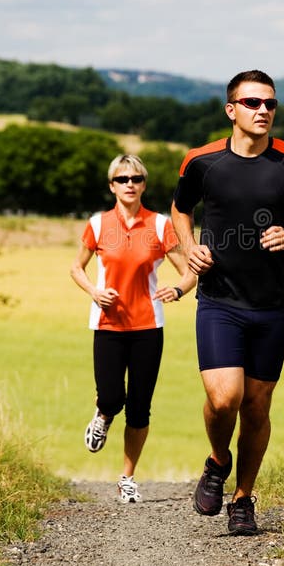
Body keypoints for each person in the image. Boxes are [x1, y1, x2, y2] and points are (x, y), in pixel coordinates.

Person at [171, 70, 284, 535]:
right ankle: (218, 460)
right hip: (219, 300)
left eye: (270, 104)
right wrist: (189, 247)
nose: (263, 111)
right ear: (231, 110)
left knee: (257, 406)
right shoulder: (201, 161)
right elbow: (180, 209)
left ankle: (243, 498)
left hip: (271, 306)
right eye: (252, 103)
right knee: (224, 399)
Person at [71, 153, 196, 503]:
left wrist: (179, 290)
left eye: (136, 179)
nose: (130, 184)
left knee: (140, 407)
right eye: (122, 179)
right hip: (108, 324)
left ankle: (127, 477)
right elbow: (76, 268)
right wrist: (94, 292)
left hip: (148, 326)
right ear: (112, 185)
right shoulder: (97, 224)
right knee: (112, 397)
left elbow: (189, 271)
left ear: (144, 185)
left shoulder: (159, 225)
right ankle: (103, 413)